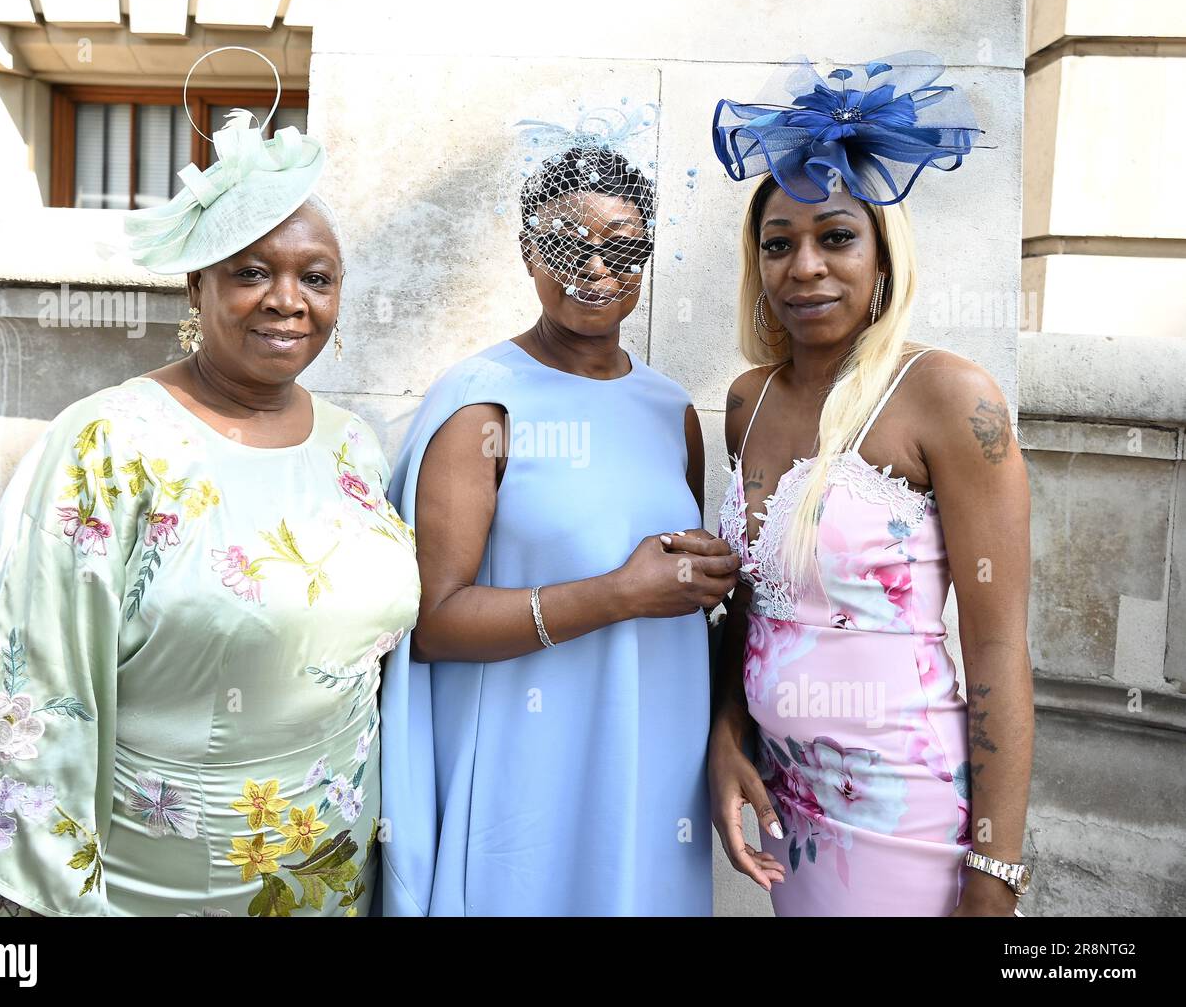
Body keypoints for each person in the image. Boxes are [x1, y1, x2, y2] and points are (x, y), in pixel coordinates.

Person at [0, 90, 420, 917]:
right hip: (154, 886)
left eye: (316, 278)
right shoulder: (108, 446)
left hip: (329, 872)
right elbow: (39, 687)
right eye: (251, 271)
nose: (287, 299)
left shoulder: (351, 444)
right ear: (197, 285)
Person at [379, 106, 747, 916]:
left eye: (621, 245)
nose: (594, 264)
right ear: (526, 252)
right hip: (525, 765)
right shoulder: (483, 406)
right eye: (564, 242)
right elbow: (432, 623)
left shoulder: (670, 410)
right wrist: (620, 593)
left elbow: (671, 573)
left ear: (647, 258)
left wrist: (704, 581)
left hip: (650, 760)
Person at [708, 54, 1035, 916]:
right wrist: (726, 736)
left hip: (908, 811)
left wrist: (994, 875)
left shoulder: (949, 397)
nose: (805, 266)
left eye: (836, 237)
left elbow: (998, 646)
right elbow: (754, 603)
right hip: (786, 803)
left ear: (882, 252)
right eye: (779, 244)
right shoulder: (750, 400)